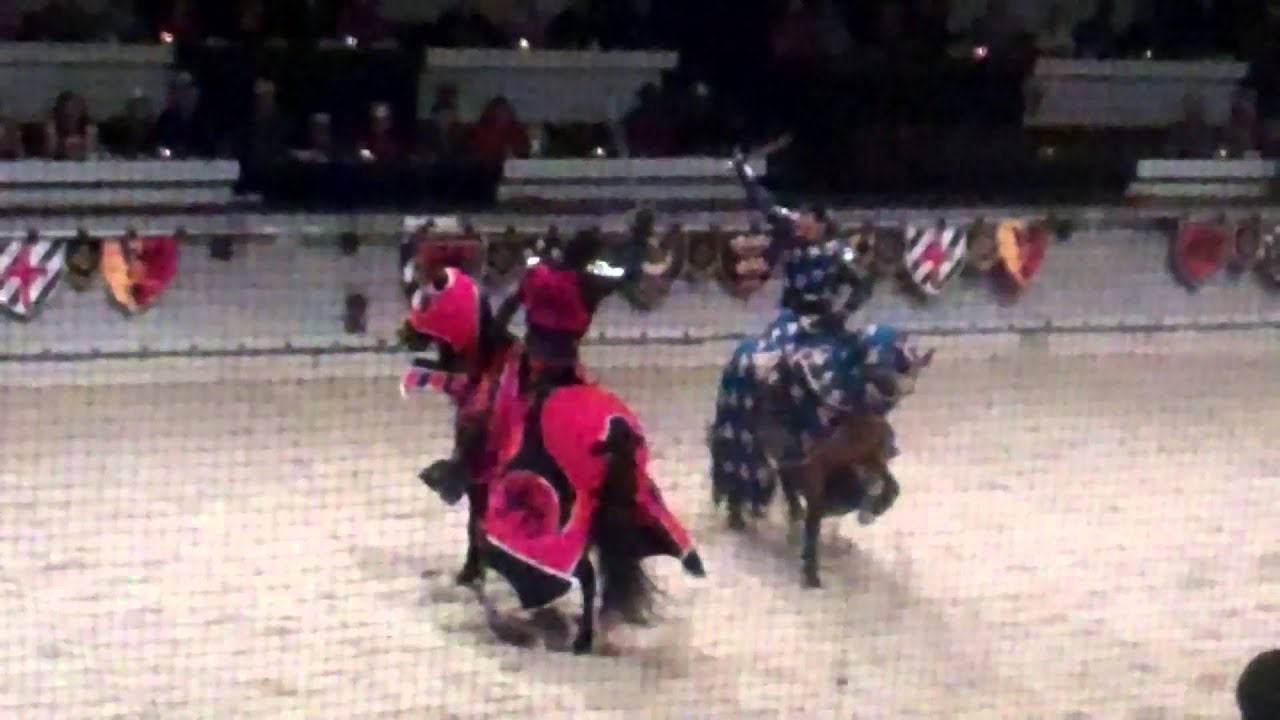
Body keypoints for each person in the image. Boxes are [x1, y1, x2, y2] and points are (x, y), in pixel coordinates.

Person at [712, 150, 878, 522]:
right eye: (798, 216)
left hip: (826, 322)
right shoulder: (789, 230)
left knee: (867, 367)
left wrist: (843, 310)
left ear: (820, 224)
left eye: (806, 218)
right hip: (791, 320)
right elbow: (763, 201)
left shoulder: (839, 252)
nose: (798, 221)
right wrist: (743, 171)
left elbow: (864, 285)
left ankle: (873, 444)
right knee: (762, 364)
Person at [493, 228, 628, 392]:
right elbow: (619, 283)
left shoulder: (538, 273)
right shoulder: (588, 284)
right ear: (591, 257)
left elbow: (508, 307)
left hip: (532, 354)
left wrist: (502, 337)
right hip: (564, 361)